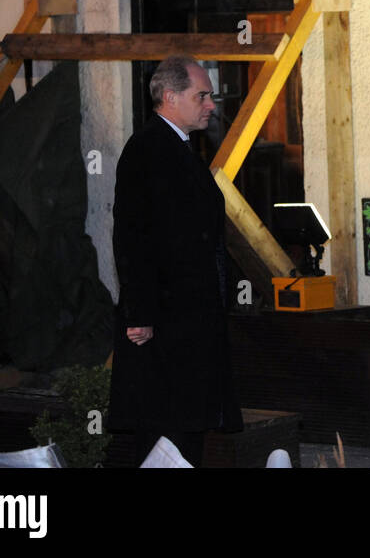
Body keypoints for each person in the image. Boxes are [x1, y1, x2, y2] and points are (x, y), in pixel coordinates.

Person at [110, 55, 241, 467]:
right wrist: (140, 314)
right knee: (165, 430)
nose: (211, 105)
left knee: (186, 427)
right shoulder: (147, 149)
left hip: (187, 321)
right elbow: (132, 236)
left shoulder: (178, 148)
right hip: (165, 324)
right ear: (169, 97)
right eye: (201, 96)